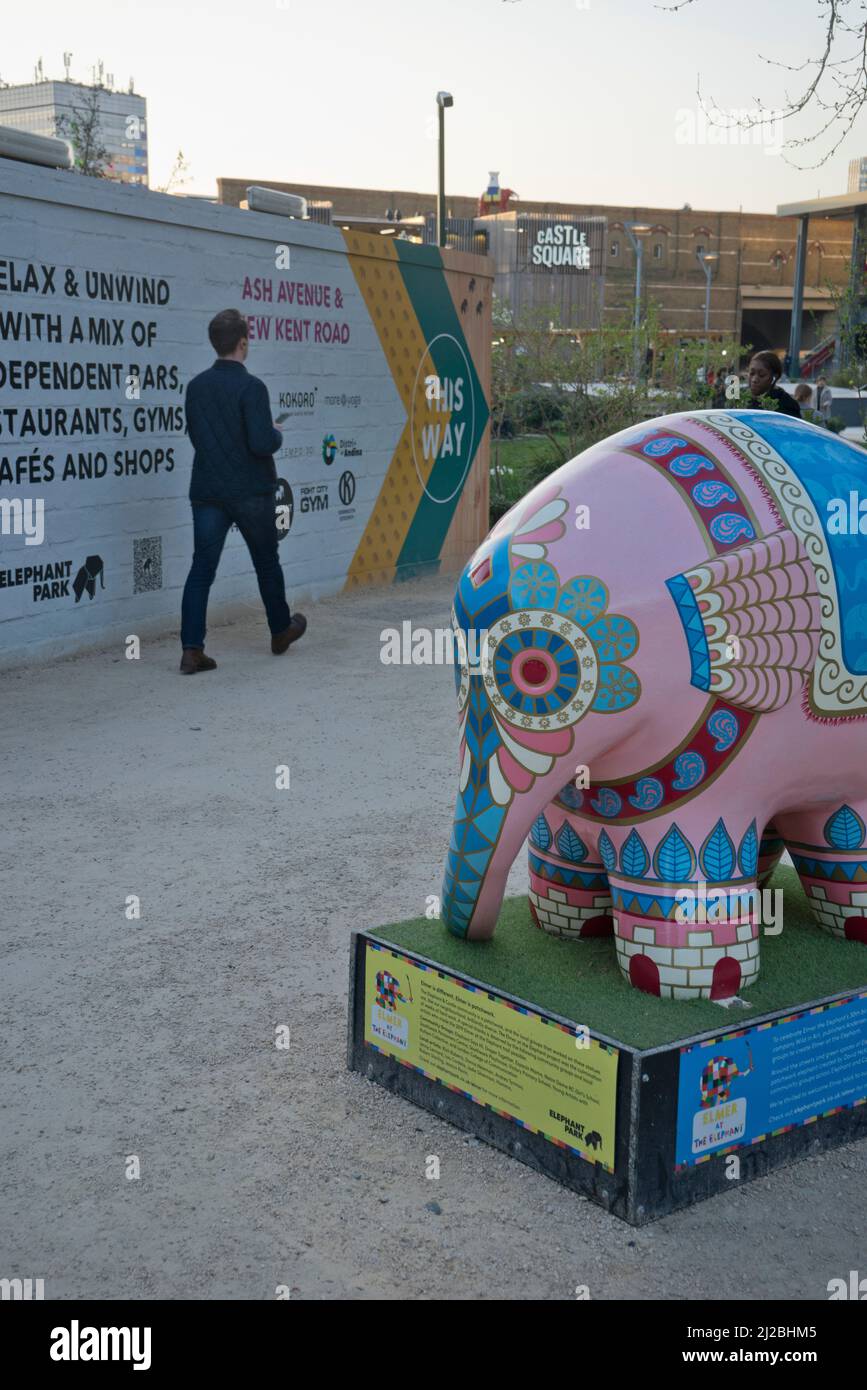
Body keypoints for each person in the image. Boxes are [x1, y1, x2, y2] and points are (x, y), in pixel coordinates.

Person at [179, 309, 306, 674]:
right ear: (243, 342)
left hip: (207, 490)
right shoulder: (253, 388)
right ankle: (280, 631)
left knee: (201, 568)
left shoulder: (196, 387)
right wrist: (276, 431)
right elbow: (261, 442)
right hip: (251, 491)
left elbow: (199, 437)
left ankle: (191, 650)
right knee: (266, 563)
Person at [746, 351, 801, 417]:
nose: (754, 380)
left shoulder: (787, 404)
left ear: (774, 377)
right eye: (752, 373)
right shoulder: (739, 400)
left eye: (761, 375)